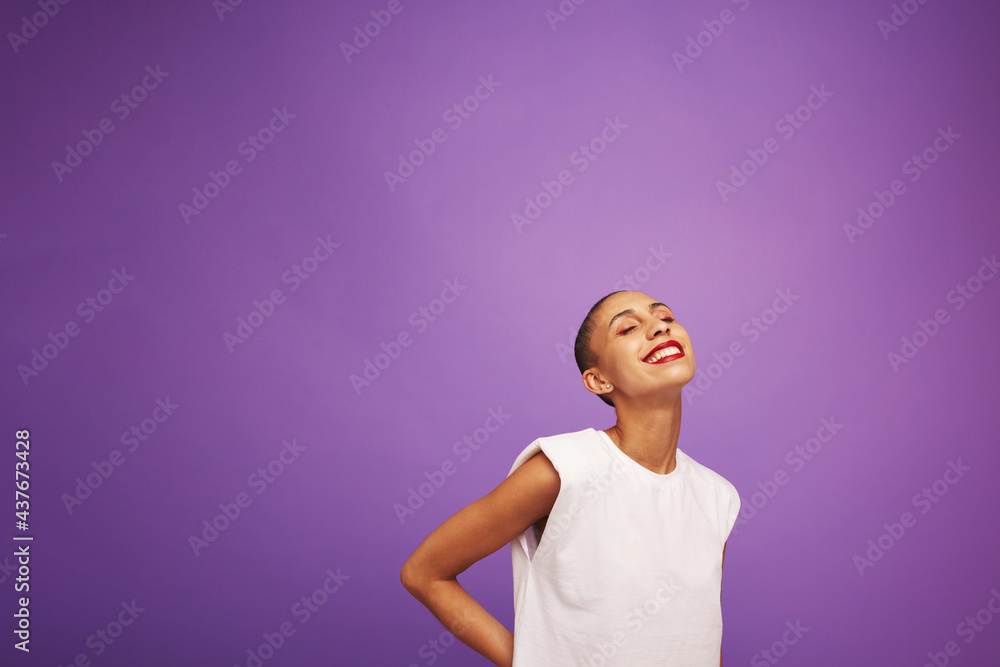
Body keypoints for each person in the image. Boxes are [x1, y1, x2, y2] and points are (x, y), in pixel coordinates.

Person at [400, 291, 741, 666]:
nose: (660, 326)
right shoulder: (565, 469)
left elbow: (701, 634)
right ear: (598, 381)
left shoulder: (717, 496)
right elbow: (425, 574)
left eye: (666, 317)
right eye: (629, 328)